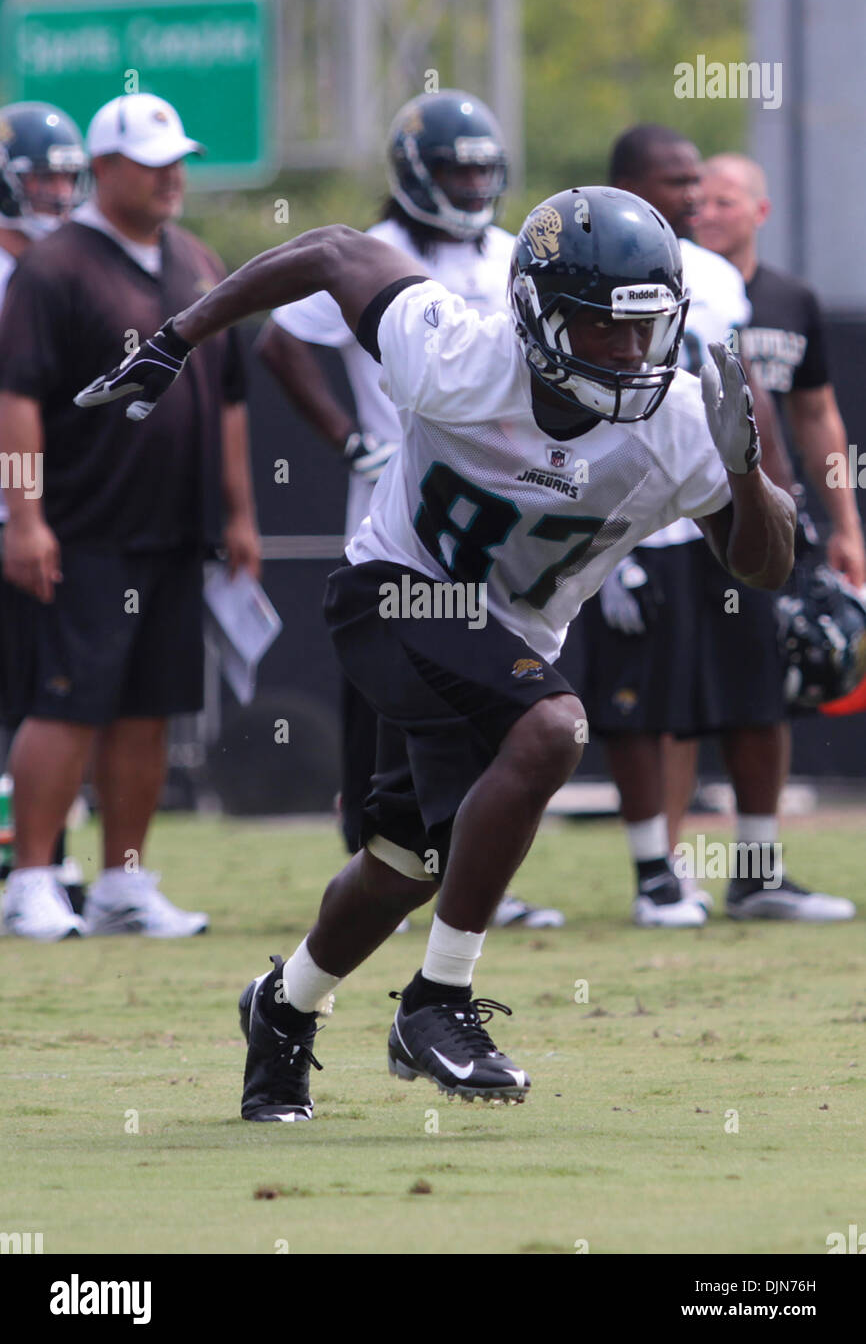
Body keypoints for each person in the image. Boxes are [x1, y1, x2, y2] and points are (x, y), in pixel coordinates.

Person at [75, 186, 796, 1118]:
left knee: (404, 865)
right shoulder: (453, 347)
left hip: (506, 641)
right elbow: (333, 250)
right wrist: (179, 335)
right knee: (551, 728)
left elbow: (764, 567)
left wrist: (747, 476)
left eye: (646, 330)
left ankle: (282, 1012)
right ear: (537, 315)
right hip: (394, 593)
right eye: (601, 330)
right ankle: (438, 1001)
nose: (628, 355)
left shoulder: (678, 423)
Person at [257, 89, 561, 930]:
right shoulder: (376, 252)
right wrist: (350, 436)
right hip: (397, 513)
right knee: (392, 696)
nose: (471, 185)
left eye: (481, 170)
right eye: (455, 169)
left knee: (493, 695)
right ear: (417, 173)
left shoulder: (515, 253)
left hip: (498, 518)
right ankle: (377, 861)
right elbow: (280, 340)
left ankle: (473, 868)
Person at [578, 125, 853, 927]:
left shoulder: (710, 275)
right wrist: (599, 537)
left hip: (715, 500)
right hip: (636, 519)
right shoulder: (583, 263)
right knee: (642, 704)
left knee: (755, 689)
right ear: (628, 184)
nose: (694, 197)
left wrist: (774, 492)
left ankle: (758, 871)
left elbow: (744, 390)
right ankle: (655, 875)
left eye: (701, 181)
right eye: (677, 182)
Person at [0, 92, 259, 942]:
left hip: (173, 530)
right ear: (103, 171)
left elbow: (226, 400)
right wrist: (25, 516)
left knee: (148, 711)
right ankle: (33, 878)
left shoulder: (196, 258)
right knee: (67, 704)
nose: (170, 178)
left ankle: (122, 883)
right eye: (150, 165)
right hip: (86, 527)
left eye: (178, 161)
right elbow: (18, 401)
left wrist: (240, 513)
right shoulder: (55, 268)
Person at [695, 152, 866, 589]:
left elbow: (816, 416)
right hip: (688, 517)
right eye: (700, 204)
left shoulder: (792, 299)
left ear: (761, 210)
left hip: (770, 516)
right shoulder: (678, 295)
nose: (708, 215)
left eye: (725, 203)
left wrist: (846, 526)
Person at [0, 101, 91, 912]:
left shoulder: (67, 273)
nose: (59, 192)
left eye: (69, 176)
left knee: (49, 694)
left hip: (53, 515)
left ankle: (45, 863)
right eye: (42, 177)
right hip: (17, 513)